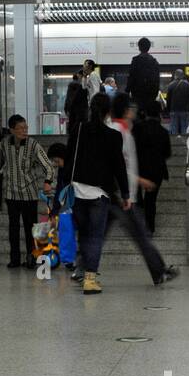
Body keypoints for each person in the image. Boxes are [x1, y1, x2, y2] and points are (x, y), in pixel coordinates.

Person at [107, 92, 179, 286]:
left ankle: (159, 272)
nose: (134, 112)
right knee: (139, 235)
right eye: (131, 108)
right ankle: (159, 272)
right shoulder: (116, 132)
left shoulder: (127, 131)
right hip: (119, 195)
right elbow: (117, 166)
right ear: (125, 110)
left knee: (101, 235)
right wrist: (139, 181)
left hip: (124, 195)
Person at [63, 90, 129, 295]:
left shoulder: (78, 129)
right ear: (107, 113)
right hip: (99, 194)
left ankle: (82, 272)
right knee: (95, 237)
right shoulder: (113, 136)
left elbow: (69, 159)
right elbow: (119, 167)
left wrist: (63, 186)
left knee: (83, 235)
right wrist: (126, 194)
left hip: (78, 191)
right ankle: (90, 279)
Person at [0, 114, 53, 269]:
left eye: (26, 127)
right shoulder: (4, 144)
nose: (24, 130)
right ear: (12, 130)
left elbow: (48, 166)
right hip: (11, 193)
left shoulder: (33, 145)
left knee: (31, 228)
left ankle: (32, 258)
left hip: (29, 194)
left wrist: (48, 182)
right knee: (13, 228)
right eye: (20, 128)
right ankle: (14, 259)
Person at [133, 101, 172, 234]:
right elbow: (167, 153)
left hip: (139, 167)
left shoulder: (137, 128)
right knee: (151, 199)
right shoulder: (163, 132)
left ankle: (137, 214)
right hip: (157, 170)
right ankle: (150, 227)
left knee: (137, 195)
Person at [126, 37, 161, 114]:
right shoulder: (154, 62)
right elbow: (157, 81)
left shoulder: (135, 61)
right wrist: (154, 95)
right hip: (150, 97)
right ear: (149, 47)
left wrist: (127, 91)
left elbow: (131, 78)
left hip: (137, 96)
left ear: (139, 47)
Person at [166, 69, 189, 137]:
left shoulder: (170, 85)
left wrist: (168, 110)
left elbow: (168, 100)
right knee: (184, 128)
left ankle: (175, 144)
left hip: (173, 110)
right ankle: (184, 145)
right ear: (183, 75)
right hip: (185, 110)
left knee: (174, 129)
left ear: (175, 75)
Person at [64, 70, 89, 140]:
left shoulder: (72, 85)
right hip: (80, 112)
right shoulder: (81, 86)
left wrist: (66, 109)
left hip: (73, 111)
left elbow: (68, 98)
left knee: (73, 129)